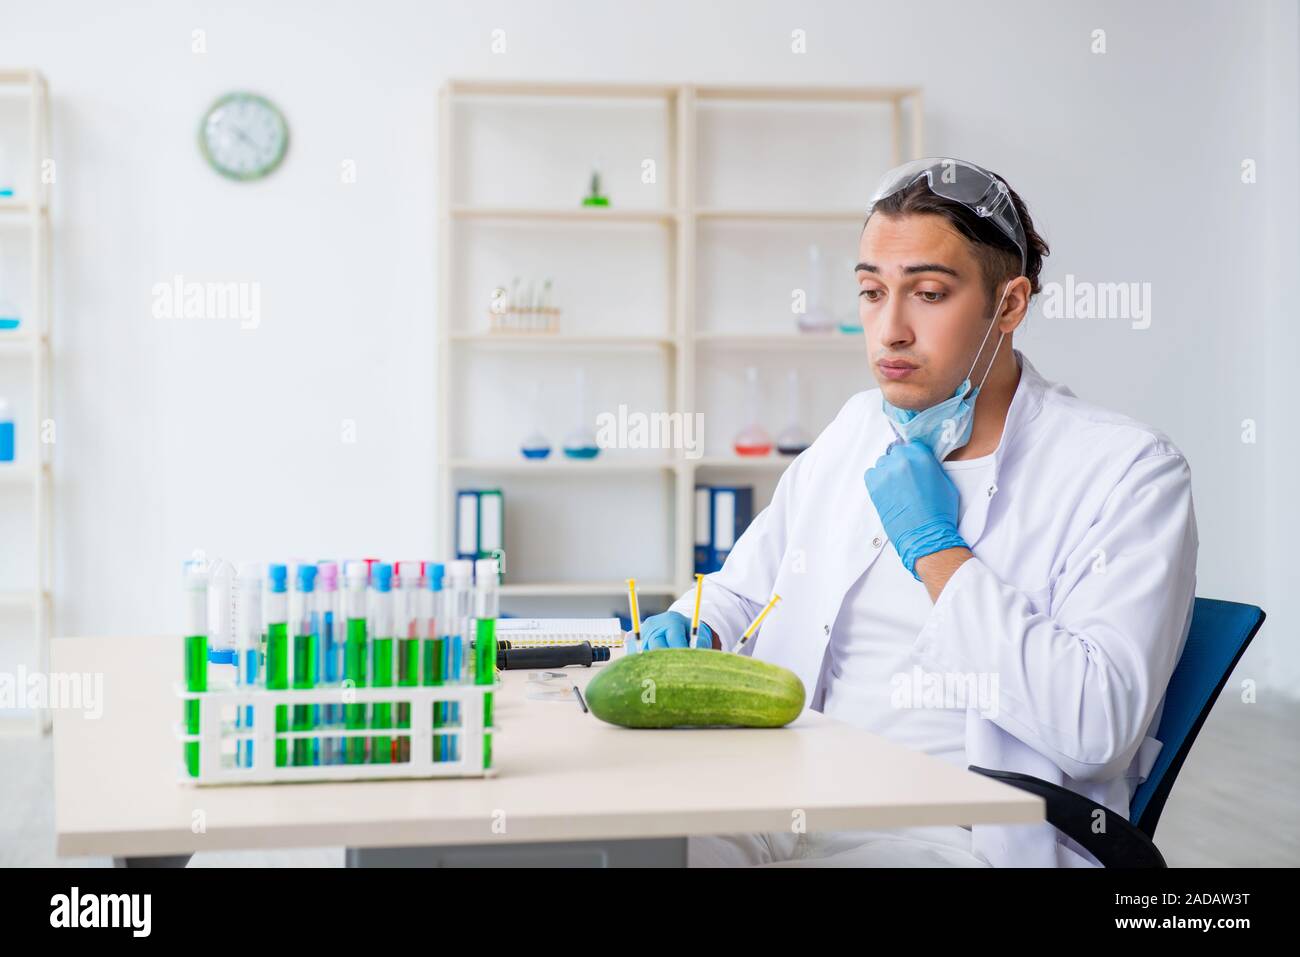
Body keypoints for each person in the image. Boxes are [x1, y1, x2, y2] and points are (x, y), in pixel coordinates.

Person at [640, 158, 1198, 867]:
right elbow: (744, 586)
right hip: (779, 794)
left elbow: (1097, 722)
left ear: (1010, 305)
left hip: (952, 831)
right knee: (622, 849)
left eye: (929, 293)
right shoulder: (856, 428)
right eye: (872, 292)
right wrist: (697, 623)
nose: (890, 329)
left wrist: (935, 548)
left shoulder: (1126, 471)